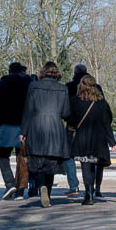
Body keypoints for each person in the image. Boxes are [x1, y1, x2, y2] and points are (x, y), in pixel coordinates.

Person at [19, 62, 73, 207]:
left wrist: (23, 132)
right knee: (51, 164)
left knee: (37, 163)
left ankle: (41, 186)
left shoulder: (33, 86)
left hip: (36, 127)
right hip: (55, 128)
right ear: (57, 73)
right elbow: (66, 112)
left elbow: (28, 111)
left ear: (43, 72)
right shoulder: (63, 89)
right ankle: (47, 193)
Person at [69, 71, 116, 206]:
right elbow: (107, 122)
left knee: (86, 165)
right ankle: (96, 189)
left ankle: (89, 193)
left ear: (81, 86)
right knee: (96, 165)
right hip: (98, 140)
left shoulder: (76, 101)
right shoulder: (101, 102)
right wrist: (111, 141)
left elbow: (72, 120)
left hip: (83, 139)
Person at [0, 63, 31, 200]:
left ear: (9, 71)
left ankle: (10, 183)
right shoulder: (27, 84)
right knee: (21, 158)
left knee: (3, 156)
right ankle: (20, 189)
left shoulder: (1, 85)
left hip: (4, 125)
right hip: (22, 125)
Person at [61, 63, 89, 197]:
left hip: (72, 127)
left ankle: (74, 185)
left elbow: (65, 108)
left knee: (68, 156)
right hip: (89, 127)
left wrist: (69, 121)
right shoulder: (95, 87)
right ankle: (91, 186)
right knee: (87, 157)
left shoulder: (69, 87)